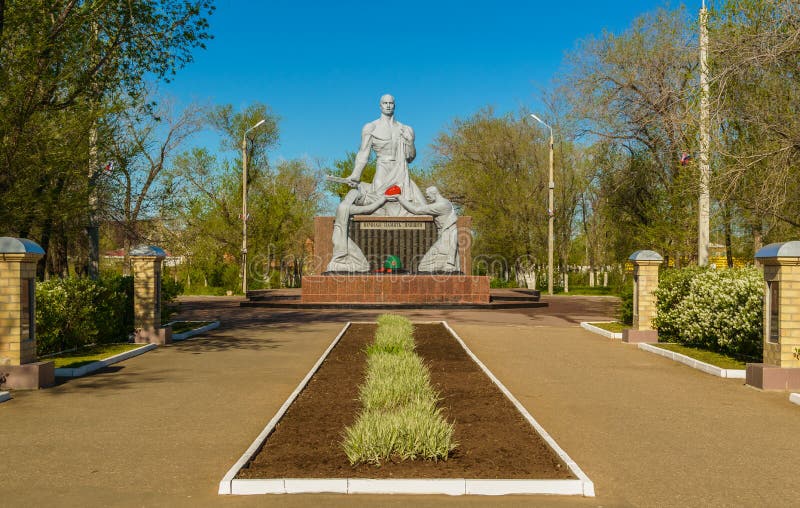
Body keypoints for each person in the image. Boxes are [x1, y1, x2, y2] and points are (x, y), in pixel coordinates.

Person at [345, 94, 426, 215]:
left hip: (401, 171)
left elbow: (410, 157)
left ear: (394, 105)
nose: (388, 106)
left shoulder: (406, 129)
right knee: (379, 205)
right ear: (380, 106)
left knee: (421, 207)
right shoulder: (371, 127)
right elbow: (363, 153)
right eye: (385, 103)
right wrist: (356, 174)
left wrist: (410, 142)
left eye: (391, 103)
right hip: (382, 168)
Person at [397, 186, 461, 273]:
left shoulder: (441, 205)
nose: (427, 198)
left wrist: (399, 197)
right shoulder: (445, 202)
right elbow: (424, 207)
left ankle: (444, 272)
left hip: (447, 238)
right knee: (425, 267)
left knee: (423, 267)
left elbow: (416, 210)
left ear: (433, 193)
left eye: (428, 196)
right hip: (445, 237)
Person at [326, 185, 389, 272]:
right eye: (358, 199)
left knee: (362, 264)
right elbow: (368, 209)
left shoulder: (342, 206)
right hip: (342, 239)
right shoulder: (346, 207)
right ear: (354, 198)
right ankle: (335, 266)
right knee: (364, 266)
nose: (358, 202)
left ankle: (338, 266)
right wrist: (383, 199)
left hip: (341, 237)